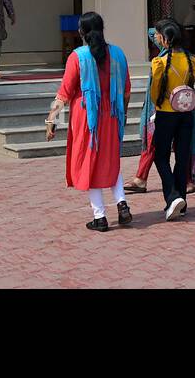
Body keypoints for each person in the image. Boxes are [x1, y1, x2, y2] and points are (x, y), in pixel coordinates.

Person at [47, 12, 131, 232]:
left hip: (87, 120)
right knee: (111, 159)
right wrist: (123, 116)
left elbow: (64, 94)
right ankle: (122, 204)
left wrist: (51, 119)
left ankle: (100, 216)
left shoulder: (78, 57)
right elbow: (126, 92)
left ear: (82, 32)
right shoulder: (118, 54)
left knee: (89, 163)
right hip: (112, 116)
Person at [149, 19, 195, 220]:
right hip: (186, 113)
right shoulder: (192, 61)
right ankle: (181, 200)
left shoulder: (160, 62)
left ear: (166, 39)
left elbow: (155, 93)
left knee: (160, 156)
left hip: (166, 113)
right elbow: (193, 79)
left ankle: (172, 197)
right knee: (182, 158)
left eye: (160, 36)